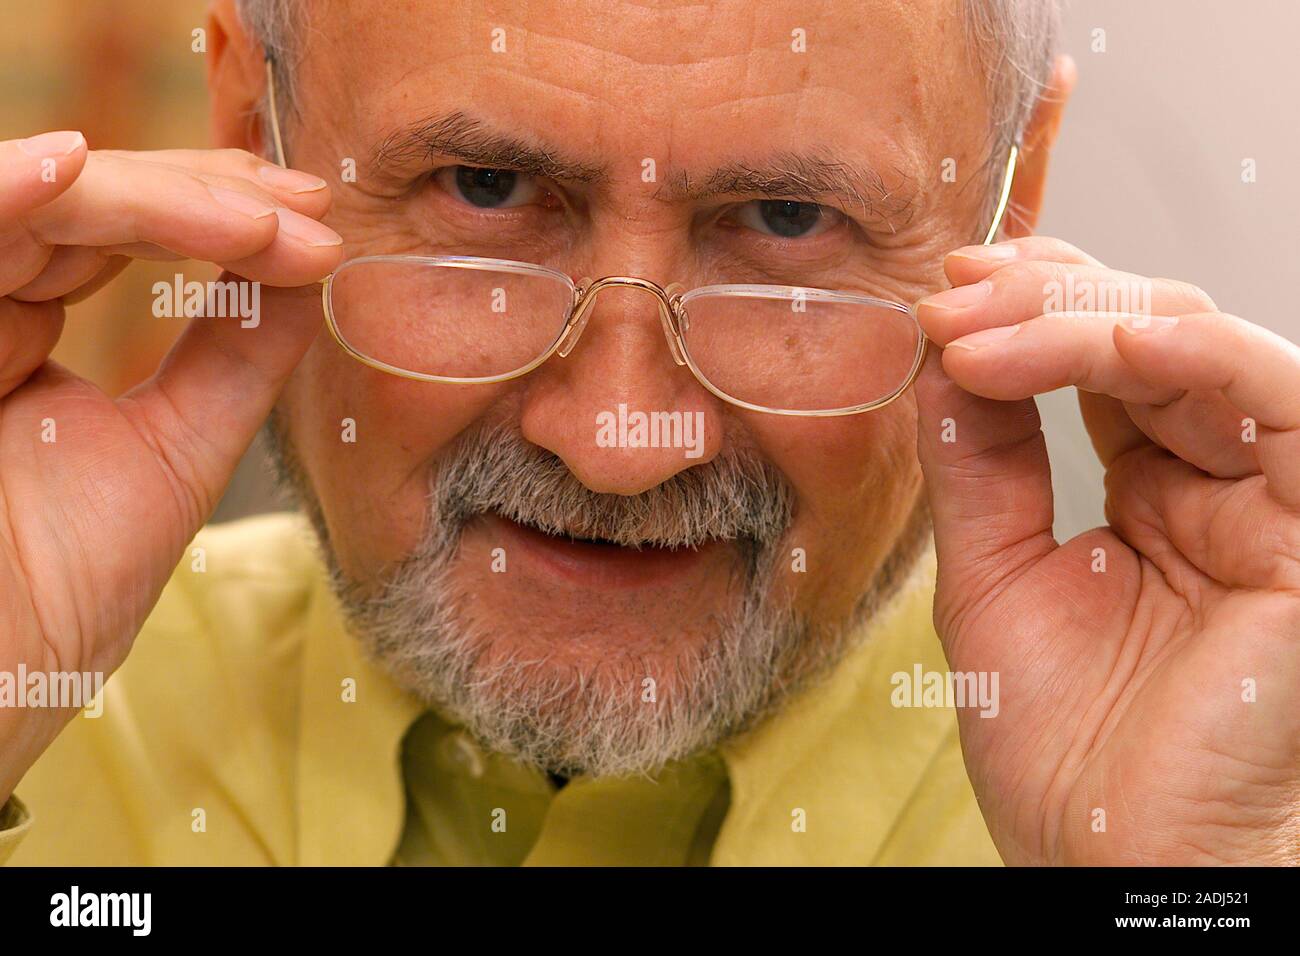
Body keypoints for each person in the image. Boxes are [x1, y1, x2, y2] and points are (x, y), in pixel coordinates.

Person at [1, 0, 1296, 866]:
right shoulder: (44, 689)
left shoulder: (1218, 785)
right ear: (246, 129)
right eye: (488, 191)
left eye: (787, 220)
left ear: (1016, 202)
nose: (620, 438)